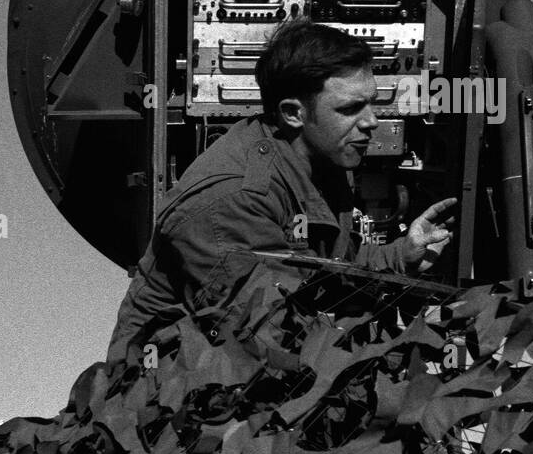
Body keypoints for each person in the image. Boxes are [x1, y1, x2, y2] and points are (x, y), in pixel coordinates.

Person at [106, 19, 457, 363]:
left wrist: (402, 256)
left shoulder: (318, 163)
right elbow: (268, 335)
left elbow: (328, 270)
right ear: (293, 114)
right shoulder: (236, 200)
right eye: (350, 108)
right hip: (171, 396)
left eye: (372, 103)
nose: (371, 121)